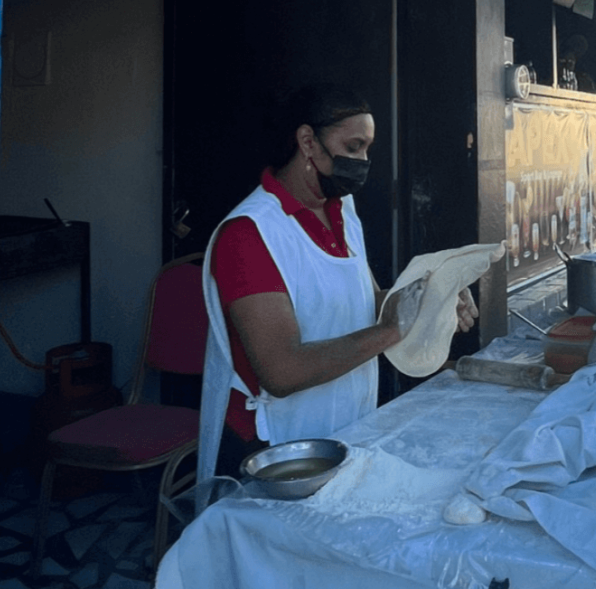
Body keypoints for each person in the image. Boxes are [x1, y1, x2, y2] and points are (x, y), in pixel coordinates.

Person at [197, 83, 479, 485]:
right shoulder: (249, 234)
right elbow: (282, 370)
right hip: (276, 450)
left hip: (346, 427)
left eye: (367, 148)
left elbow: (366, 303)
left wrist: (432, 299)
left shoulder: (341, 208)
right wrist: (392, 330)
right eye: (353, 146)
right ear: (308, 141)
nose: (363, 161)